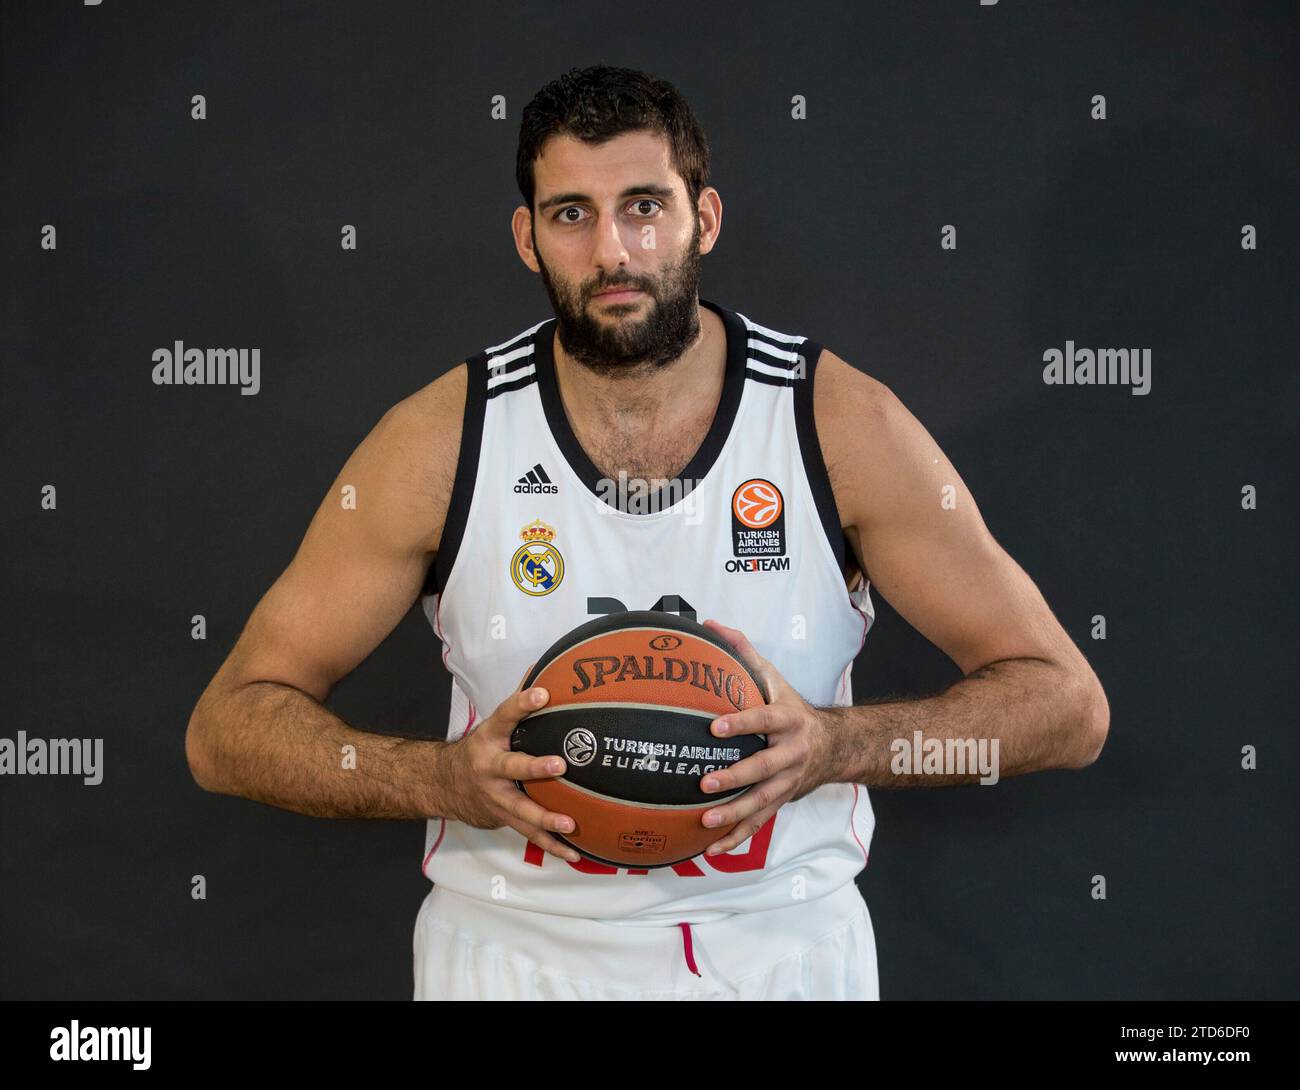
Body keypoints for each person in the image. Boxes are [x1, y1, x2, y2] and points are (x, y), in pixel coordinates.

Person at [185, 65, 1108, 1001]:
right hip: (512, 954)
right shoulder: (438, 441)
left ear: (703, 218)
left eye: (643, 206)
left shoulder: (838, 423)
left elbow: (1067, 705)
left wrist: (835, 745)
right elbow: (225, 730)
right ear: (527, 239)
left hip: (781, 950)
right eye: (571, 214)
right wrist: (441, 780)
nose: (613, 250)